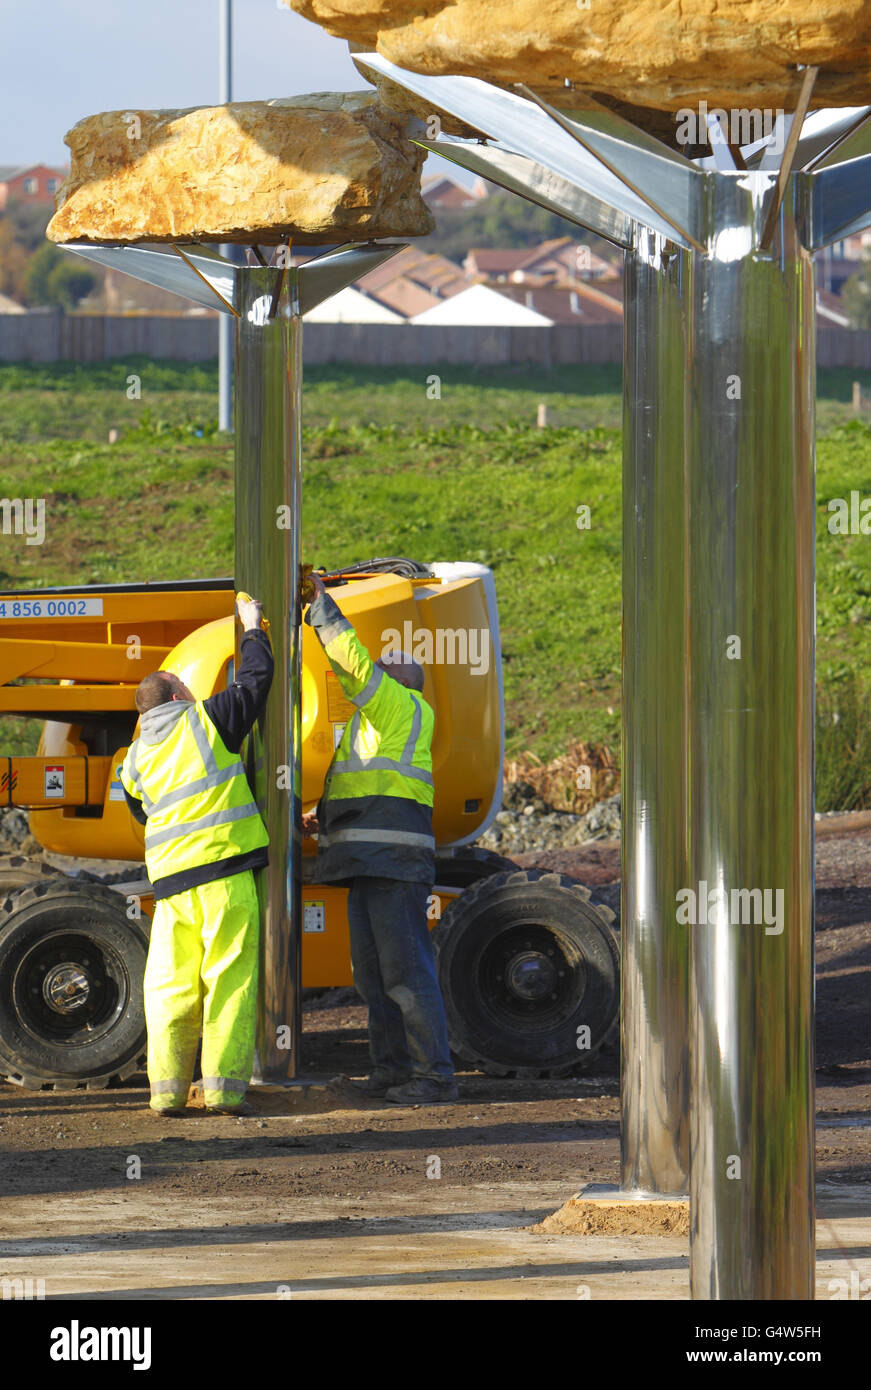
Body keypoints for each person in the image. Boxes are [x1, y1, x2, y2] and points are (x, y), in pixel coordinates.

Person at [303, 571, 458, 1104]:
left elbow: (354, 663)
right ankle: (392, 1069)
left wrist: (322, 607)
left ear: (400, 682)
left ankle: (432, 1076)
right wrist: (324, 819)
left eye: (387, 668)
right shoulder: (377, 726)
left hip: (391, 863)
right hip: (372, 861)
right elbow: (367, 784)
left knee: (406, 974)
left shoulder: (399, 705)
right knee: (373, 977)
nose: (376, 673)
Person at [119, 594, 273, 1116]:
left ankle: (165, 1093)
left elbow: (143, 813)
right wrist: (253, 628)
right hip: (223, 875)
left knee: (169, 987)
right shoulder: (207, 721)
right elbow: (255, 683)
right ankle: (225, 1091)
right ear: (180, 693)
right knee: (229, 978)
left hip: (170, 887)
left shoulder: (134, 761)